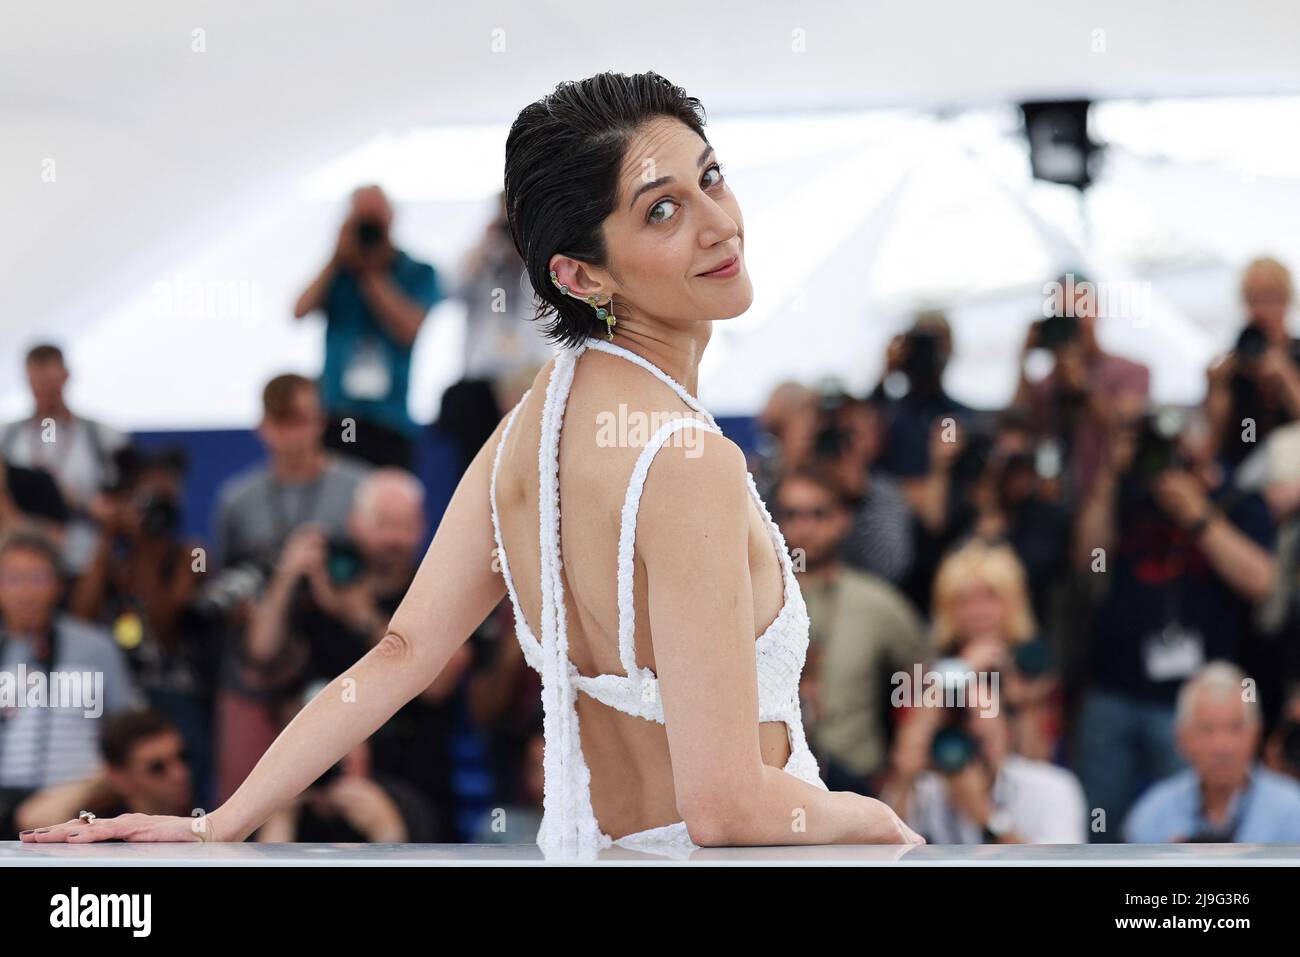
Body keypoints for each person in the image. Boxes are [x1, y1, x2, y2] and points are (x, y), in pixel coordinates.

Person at [20, 71, 921, 854]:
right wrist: (870, 820)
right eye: (662, 208)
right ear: (581, 276)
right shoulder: (687, 459)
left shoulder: (537, 424)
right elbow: (726, 807)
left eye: (711, 177)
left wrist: (223, 819)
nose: (719, 224)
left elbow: (402, 649)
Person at [771, 466, 928, 796]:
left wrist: (908, 755)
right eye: (792, 513)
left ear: (843, 520)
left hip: (857, 785)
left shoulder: (877, 603)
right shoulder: (755, 600)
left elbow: (926, 679)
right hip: (775, 785)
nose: (805, 526)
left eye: (819, 513)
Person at [293, 184, 443, 471]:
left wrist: (371, 272)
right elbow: (299, 311)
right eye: (363, 221)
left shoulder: (418, 272)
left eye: (375, 221)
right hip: (338, 416)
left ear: (392, 221)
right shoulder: (338, 272)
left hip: (390, 419)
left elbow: (408, 328)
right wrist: (335, 256)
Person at [1123, 662, 1300, 843]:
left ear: (1256, 734)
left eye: (1235, 727)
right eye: (1207, 729)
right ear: (1182, 739)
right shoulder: (1153, 816)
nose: (1221, 746)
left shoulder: (1292, 812)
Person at [0, 343, 130, 575]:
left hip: (84, 557)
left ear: (66, 377)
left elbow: (121, 504)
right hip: (18, 558)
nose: (45, 392)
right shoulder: (7, 437)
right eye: (37, 384)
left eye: (50, 384)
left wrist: (82, 503)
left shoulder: (102, 437)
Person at [1204, 257, 1300, 472]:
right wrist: (1216, 387)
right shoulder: (1236, 361)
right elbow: (1216, 434)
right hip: (1241, 464)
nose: (1261, 310)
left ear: (1286, 300)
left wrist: (1285, 377)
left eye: (1270, 299)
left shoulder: (1295, 354)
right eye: (1254, 300)